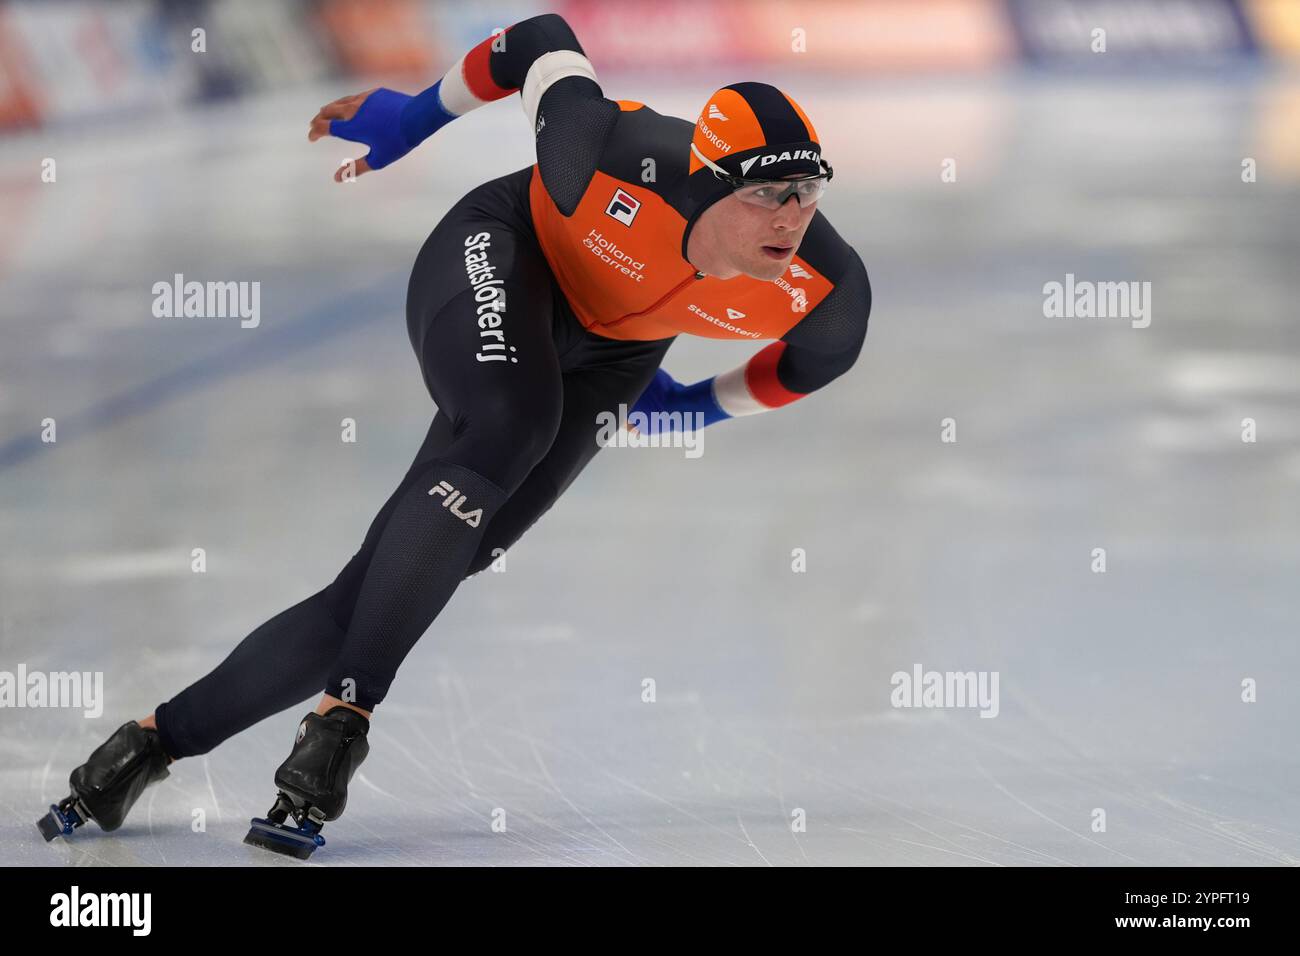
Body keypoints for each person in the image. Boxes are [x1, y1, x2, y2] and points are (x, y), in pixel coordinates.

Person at [38, 13, 871, 853]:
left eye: (809, 189)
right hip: (507, 252)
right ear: (706, 179)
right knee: (513, 423)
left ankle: (149, 744)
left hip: (614, 358)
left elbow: (816, 364)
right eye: (766, 191)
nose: (792, 215)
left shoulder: (827, 290)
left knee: (405, 578)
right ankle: (345, 720)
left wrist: (692, 408)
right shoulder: (608, 154)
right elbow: (541, 39)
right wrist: (412, 119)